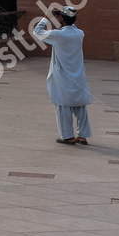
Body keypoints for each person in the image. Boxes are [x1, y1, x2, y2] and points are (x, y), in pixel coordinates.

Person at [42, 7, 93, 145]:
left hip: (62, 78)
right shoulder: (79, 33)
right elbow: (72, 26)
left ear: (62, 19)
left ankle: (68, 136)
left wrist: (48, 17)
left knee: (63, 106)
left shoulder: (58, 35)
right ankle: (83, 135)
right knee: (80, 106)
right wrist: (64, 17)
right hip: (77, 77)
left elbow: (37, 32)